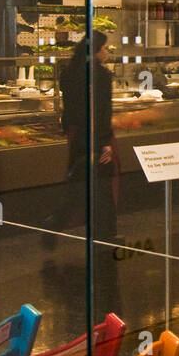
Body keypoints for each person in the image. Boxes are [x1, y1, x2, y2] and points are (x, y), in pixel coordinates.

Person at [59, 30, 117, 239]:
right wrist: (105, 142)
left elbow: (70, 107)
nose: (106, 52)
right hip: (96, 134)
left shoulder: (70, 71)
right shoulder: (100, 75)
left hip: (76, 133)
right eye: (104, 48)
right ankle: (105, 231)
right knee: (104, 182)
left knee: (79, 179)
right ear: (95, 50)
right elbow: (102, 110)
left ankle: (61, 220)